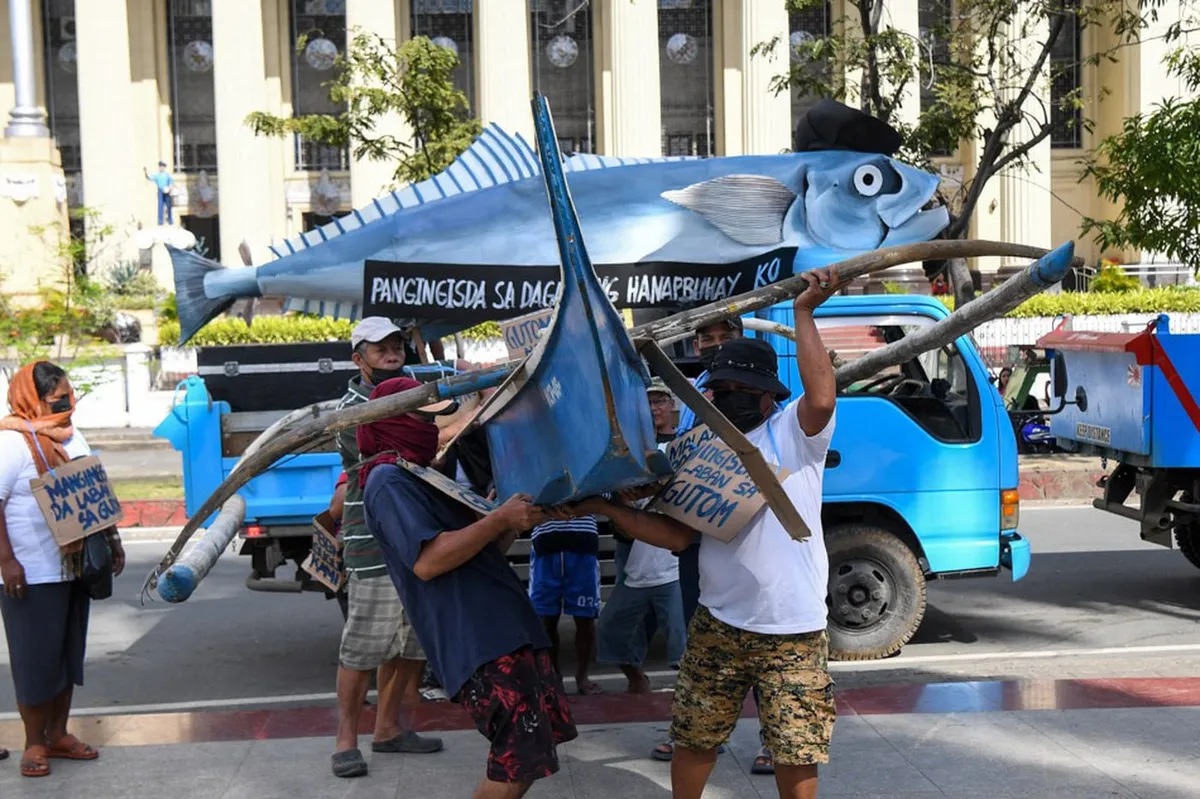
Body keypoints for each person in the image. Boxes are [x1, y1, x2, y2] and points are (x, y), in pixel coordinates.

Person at [560, 268, 841, 799]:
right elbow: (676, 537)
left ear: (766, 397)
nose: (730, 397)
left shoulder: (793, 435)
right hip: (718, 624)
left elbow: (822, 400)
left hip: (793, 629)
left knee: (795, 750)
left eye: (742, 390)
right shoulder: (695, 446)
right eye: (722, 389)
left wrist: (804, 312)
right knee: (694, 735)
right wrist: (607, 507)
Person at [358, 377, 577, 799]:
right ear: (392, 421)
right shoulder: (387, 480)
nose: (429, 427)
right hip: (479, 637)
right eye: (420, 418)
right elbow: (428, 561)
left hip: (506, 627)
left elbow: (481, 547)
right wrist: (496, 520)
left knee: (532, 752)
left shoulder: (418, 474)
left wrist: (505, 518)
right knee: (515, 758)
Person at [0, 361, 126, 778]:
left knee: (66, 655)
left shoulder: (72, 437)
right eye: (59, 400)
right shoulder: (11, 444)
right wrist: (6, 561)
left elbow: (92, 489)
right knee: (35, 659)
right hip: (30, 573)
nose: (68, 407)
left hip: (73, 567)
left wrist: (112, 540)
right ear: (32, 400)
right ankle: (34, 742)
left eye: (71, 398)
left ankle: (59, 733)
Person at [330, 317, 443, 779]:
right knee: (363, 647)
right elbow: (424, 438)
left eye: (396, 344)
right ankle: (344, 741)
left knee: (411, 642)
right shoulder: (354, 408)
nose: (392, 352)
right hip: (371, 538)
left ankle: (388, 730)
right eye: (379, 349)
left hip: (415, 532)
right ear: (359, 360)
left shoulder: (414, 388)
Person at [597, 379, 686, 694]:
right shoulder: (626, 453)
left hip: (673, 566)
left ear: (672, 405)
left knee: (684, 645)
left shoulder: (684, 445)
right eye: (647, 402)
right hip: (636, 564)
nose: (654, 408)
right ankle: (638, 680)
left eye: (660, 401)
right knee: (609, 630)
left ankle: (690, 709)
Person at [527, 516, 603, 695]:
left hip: (583, 543)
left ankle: (582, 676)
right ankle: (554, 676)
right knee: (545, 619)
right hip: (546, 543)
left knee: (585, 618)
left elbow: (603, 492)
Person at [143, 161, 174, 225]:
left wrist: (170, 187)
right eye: (160, 167)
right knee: (160, 206)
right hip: (160, 191)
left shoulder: (167, 175)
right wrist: (145, 172)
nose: (161, 168)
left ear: (164, 168)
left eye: (163, 167)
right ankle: (160, 221)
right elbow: (149, 177)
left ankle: (170, 220)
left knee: (168, 206)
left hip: (167, 191)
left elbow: (171, 181)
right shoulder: (157, 175)